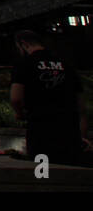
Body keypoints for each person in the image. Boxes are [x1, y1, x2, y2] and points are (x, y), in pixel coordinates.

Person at [10, 29, 89, 166]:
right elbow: (81, 107)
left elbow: (16, 98)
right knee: (70, 173)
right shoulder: (66, 64)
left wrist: (19, 113)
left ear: (23, 44)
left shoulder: (24, 64)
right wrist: (81, 136)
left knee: (43, 172)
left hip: (41, 130)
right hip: (69, 131)